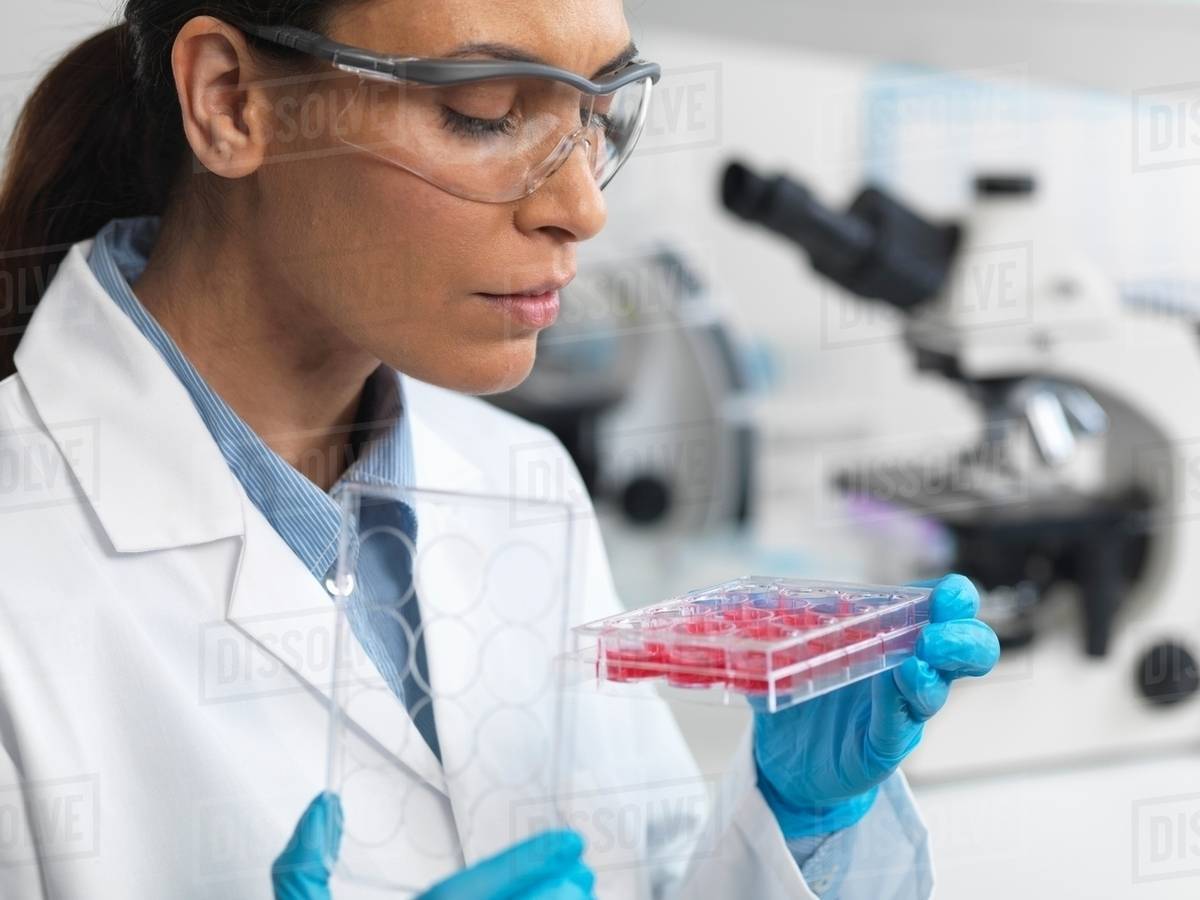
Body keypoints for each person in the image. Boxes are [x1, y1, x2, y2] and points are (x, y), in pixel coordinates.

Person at [0, 0, 999, 896]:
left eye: (599, 114)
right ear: (231, 102)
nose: (581, 206)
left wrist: (792, 829)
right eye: (484, 110)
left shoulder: (521, 481)